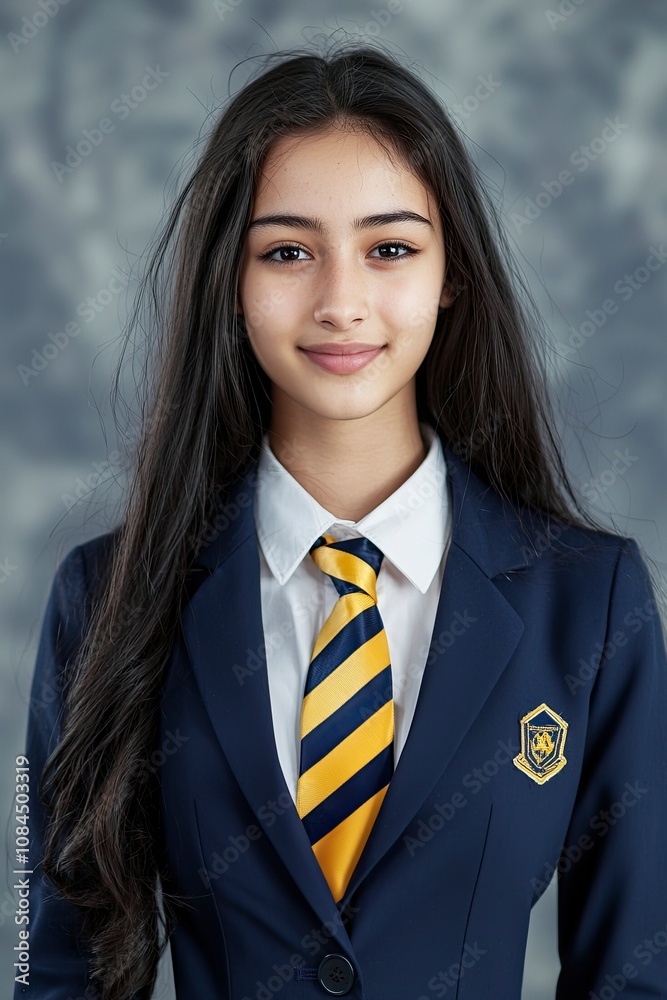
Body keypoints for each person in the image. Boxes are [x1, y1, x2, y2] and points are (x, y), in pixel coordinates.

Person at [15, 42, 667, 1000]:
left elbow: (634, 974)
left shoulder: (591, 604)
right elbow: (51, 969)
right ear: (228, 285)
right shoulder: (104, 600)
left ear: (452, 275)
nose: (341, 303)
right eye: (287, 252)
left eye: (390, 248)